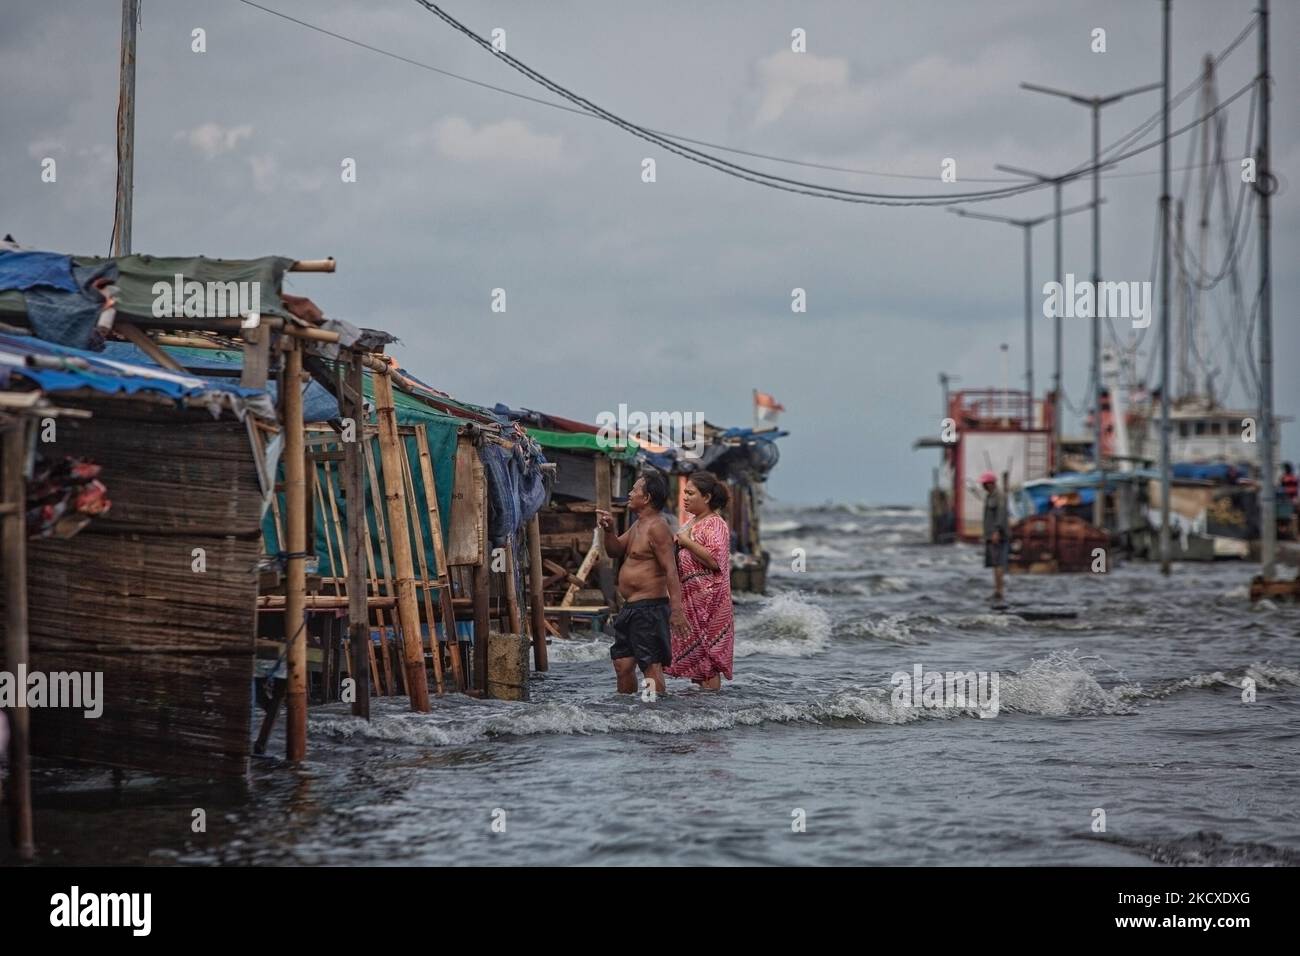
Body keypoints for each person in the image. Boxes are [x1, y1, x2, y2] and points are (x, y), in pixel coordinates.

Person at [597, 472, 688, 695]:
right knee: (623, 664)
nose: (629, 493)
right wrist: (609, 531)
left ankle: (654, 715)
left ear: (646, 498)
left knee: (650, 664)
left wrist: (676, 610)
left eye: (635, 490)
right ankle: (628, 715)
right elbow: (615, 550)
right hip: (630, 608)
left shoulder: (658, 526)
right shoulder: (639, 524)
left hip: (650, 609)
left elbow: (671, 570)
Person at [666, 471, 735, 690]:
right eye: (684, 493)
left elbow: (715, 561)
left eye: (690, 493)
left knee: (707, 663)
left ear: (706, 497)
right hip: (691, 601)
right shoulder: (692, 522)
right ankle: (700, 711)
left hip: (709, 604)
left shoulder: (715, 524)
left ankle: (711, 712)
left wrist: (685, 542)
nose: (684, 497)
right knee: (697, 661)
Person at [981, 470, 1009, 602]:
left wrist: (996, 531)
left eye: (986, 484)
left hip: (997, 535)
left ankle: (1000, 591)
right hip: (990, 535)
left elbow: (1001, 515)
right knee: (994, 564)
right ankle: (996, 590)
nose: (984, 486)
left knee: (998, 564)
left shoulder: (999, 496)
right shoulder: (989, 496)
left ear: (991, 483)